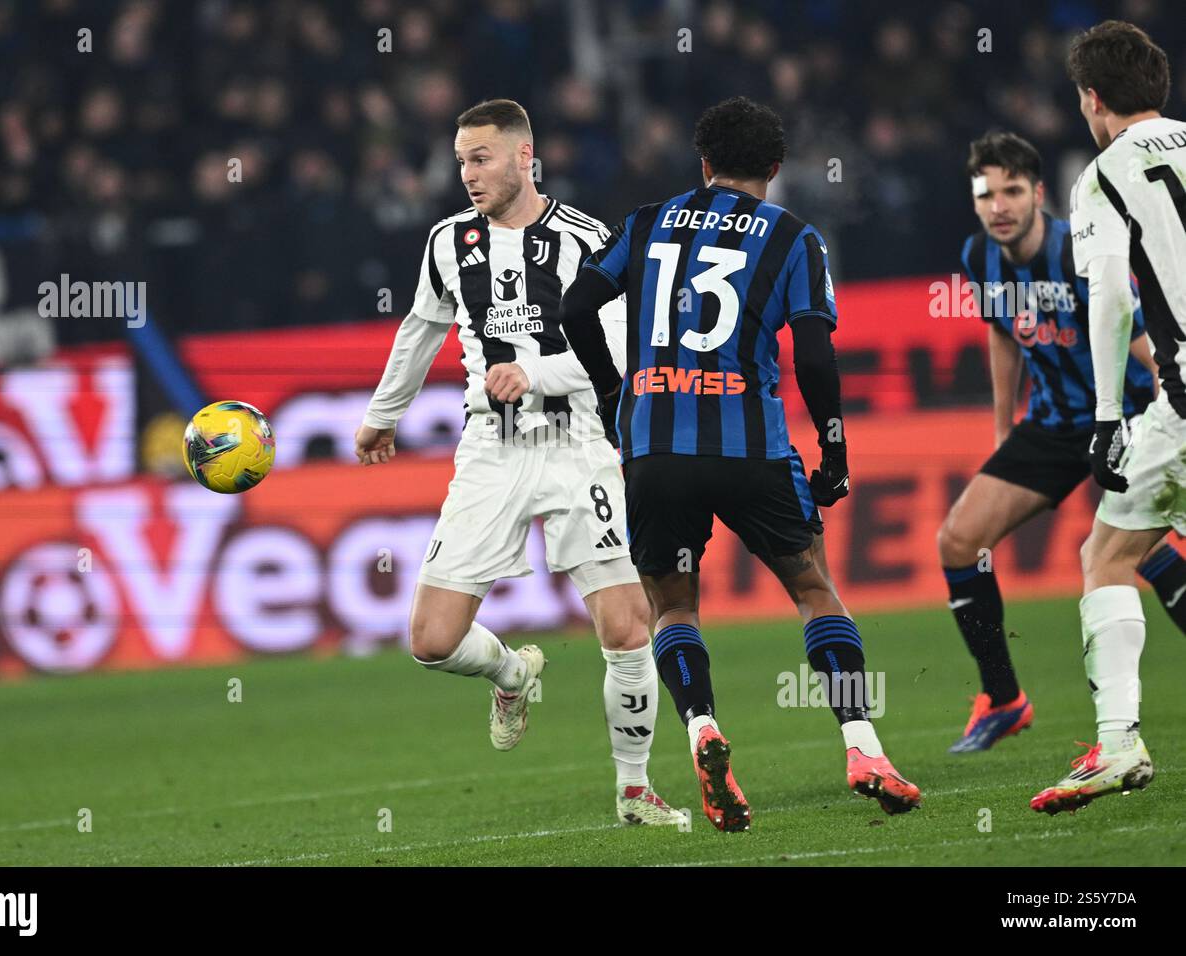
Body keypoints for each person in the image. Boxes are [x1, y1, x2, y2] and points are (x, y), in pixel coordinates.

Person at [559, 96, 920, 831]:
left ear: (704, 164)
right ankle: (863, 747)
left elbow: (574, 308)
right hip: (750, 444)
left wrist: (610, 391)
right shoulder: (793, 239)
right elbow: (813, 351)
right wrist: (835, 444)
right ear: (776, 170)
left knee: (675, 606)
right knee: (813, 587)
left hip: (654, 444)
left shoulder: (647, 220)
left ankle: (701, 729)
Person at [355, 99, 685, 826]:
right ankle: (513, 672)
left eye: (481, 158)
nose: (468, 174)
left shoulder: (586, 240)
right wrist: (384, 414)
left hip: (577, 446)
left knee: (628, 626)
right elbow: (420, 328)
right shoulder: (448, 242)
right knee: (431, 640)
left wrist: (536, 373)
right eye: (461, 161)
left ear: (524, 157)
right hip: (490, 451)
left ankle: (635, 791)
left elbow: (625, 354)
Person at [939, 129, 1183, 753]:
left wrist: (1168, 414)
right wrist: (1001, 429)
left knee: (1143, 556)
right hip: (1050, 424)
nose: (999, 206)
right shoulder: (977, 258)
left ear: (1038, 194)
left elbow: (1138, 337)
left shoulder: (1081, 247)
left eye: (1012, 191)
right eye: (986, 194)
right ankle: (1003, 698)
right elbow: (1001, 332)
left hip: (1124, 416)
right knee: (959, 541)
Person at [1031, 20, 1186, 813]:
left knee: (1106, 555)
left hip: (1185, 400)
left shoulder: (1103, 176)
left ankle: (1119, 741)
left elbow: (1111, 295)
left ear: (1093, 100)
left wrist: (1104, 412)